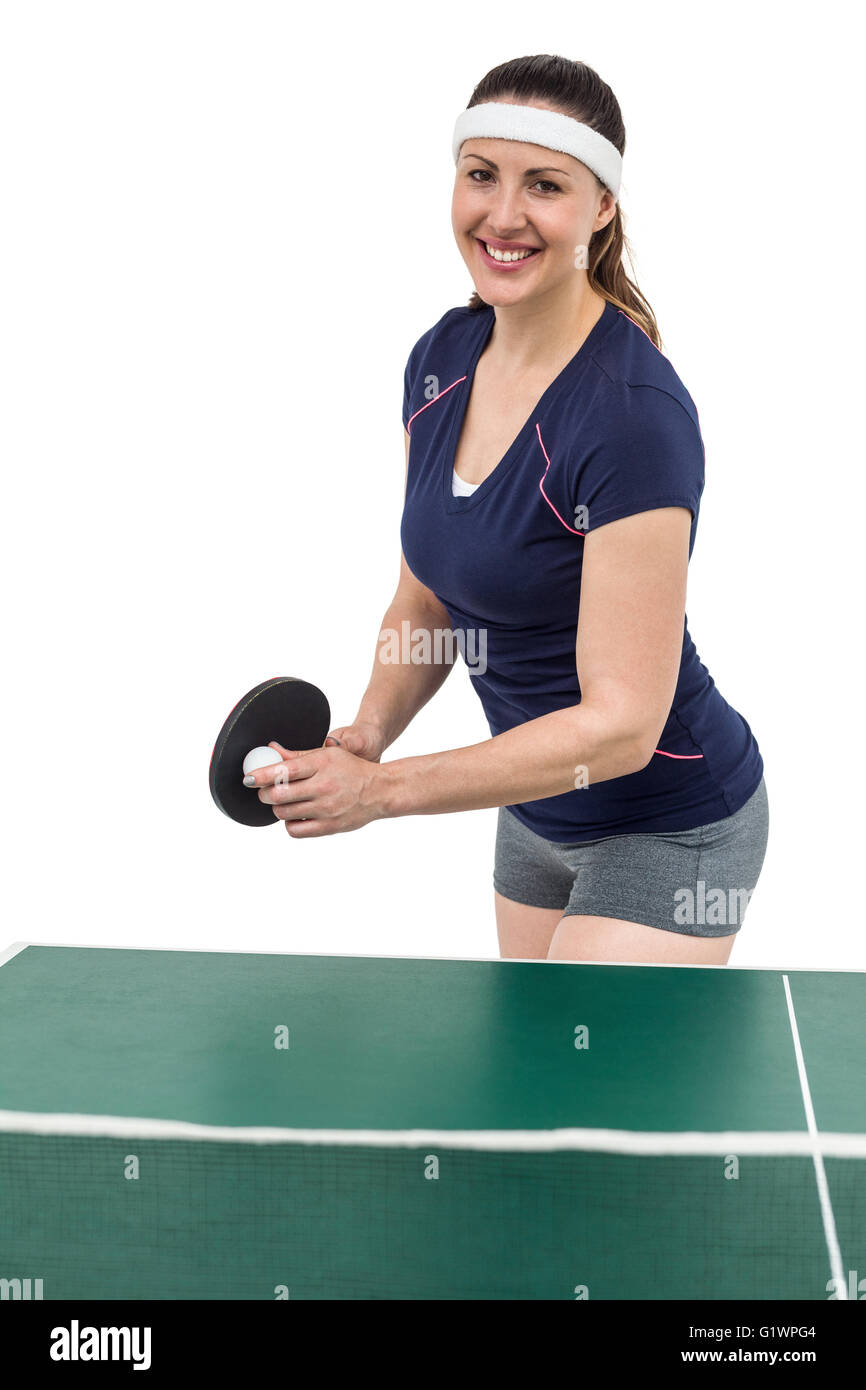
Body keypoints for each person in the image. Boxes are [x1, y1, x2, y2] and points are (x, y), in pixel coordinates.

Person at [252, 53, 768, 966]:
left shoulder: (631, 417)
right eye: (481, 176)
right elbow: (427, 601)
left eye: (545, 186)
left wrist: (383, 793)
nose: (504, 215)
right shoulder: (439, 359)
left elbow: (621, 723)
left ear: (601, 207)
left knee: (588, 1092)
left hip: (671, 825)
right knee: (537, 1097)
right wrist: (367, 737)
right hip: (532, 816)